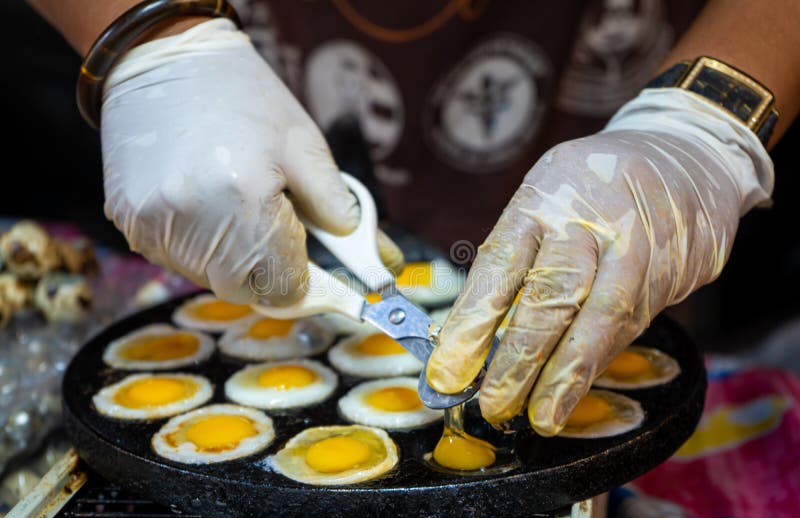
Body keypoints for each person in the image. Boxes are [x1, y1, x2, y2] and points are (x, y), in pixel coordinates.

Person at [26, 0, 800, 437]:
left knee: (591, 315)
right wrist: (150, 38)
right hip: (255, 75)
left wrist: (702, 120)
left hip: (607, 73)